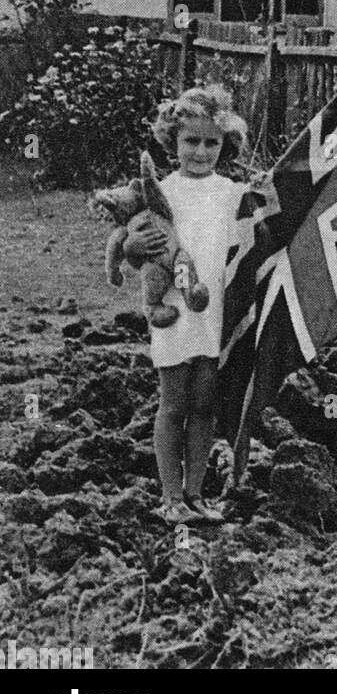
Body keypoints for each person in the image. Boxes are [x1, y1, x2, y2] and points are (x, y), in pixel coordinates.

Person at [124, 84, 249, 525]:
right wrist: (133, 245)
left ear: (225, 145)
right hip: (173, 312)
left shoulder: (232, 194)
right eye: (190, 141)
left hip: (213, 311)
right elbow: (132, 245)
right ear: (172, 141)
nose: (200, 151)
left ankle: (196, 494)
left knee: (204, 404)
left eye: (211, 142)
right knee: (173, 402)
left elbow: (256, 240)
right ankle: (170, 497)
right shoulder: (159, 191)